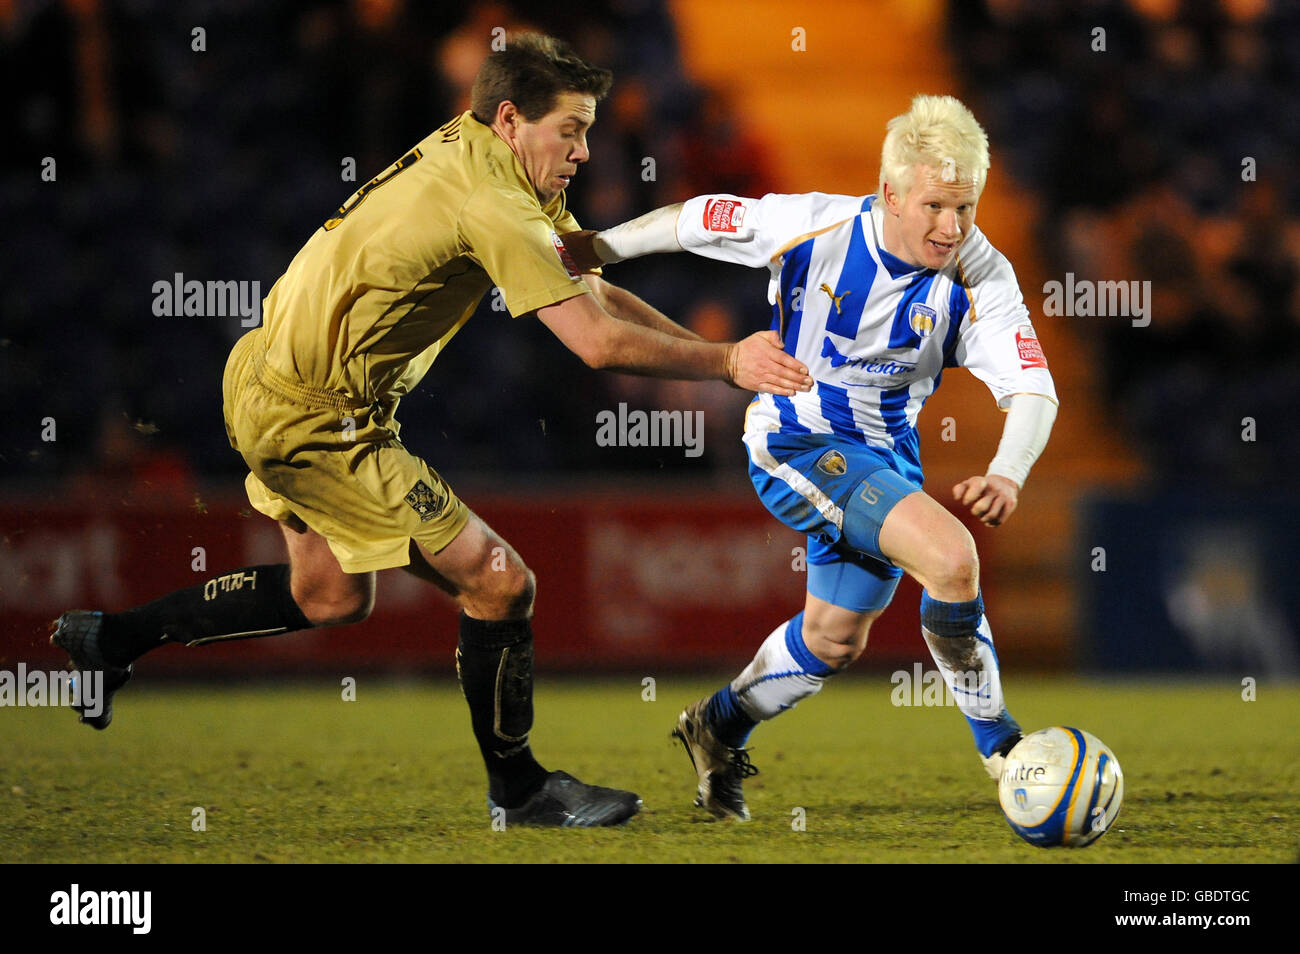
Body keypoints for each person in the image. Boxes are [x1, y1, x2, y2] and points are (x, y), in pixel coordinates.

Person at [50, 33, 812, 829]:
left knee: (329, 596)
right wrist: (726, 362)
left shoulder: (479, 149)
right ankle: (519, 791)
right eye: (571, 131)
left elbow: (588, 287)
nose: (585, 151)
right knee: (500, 580)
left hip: (268, 371)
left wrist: (716, 355)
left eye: (589, 131)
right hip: (319, 413)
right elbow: (594, 342)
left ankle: (110, 640)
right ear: (512, 119)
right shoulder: (497, 201)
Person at [565, 94, 1059, 820]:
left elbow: (1034, 389)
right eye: (934, 206)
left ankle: (716, 726)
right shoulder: (812, 224)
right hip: (794, 442)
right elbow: (693, 219)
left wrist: (1009, 470)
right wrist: (597, 249)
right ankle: (1005, 751)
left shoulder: (983, 278)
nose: (952, 226)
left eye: (966, 206)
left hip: (886, 460)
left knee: (834, 640)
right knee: (952, 560)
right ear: (889, 193)